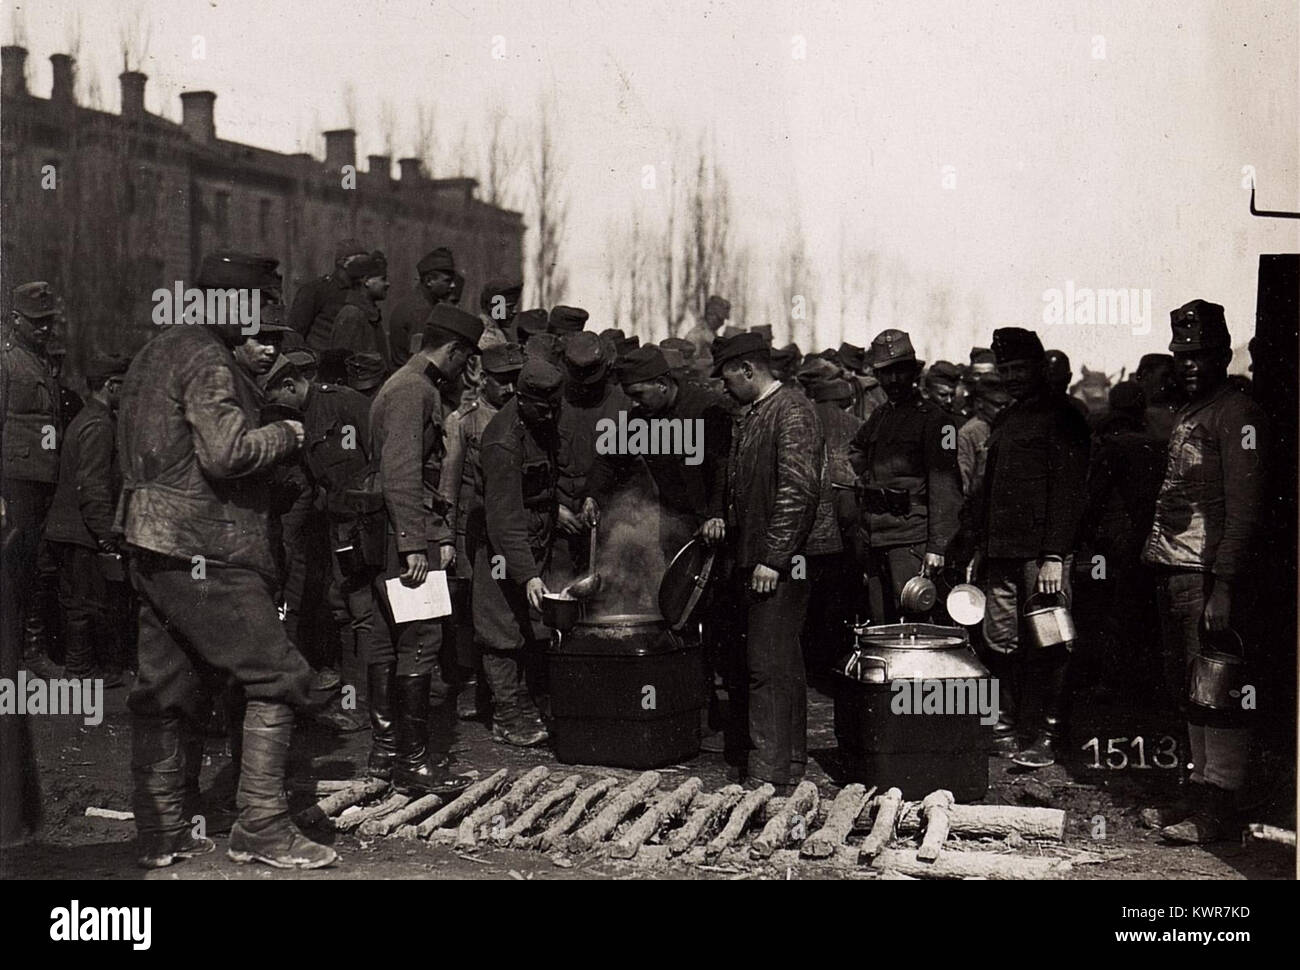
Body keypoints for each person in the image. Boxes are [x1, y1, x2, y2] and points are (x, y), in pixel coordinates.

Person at [118, 251, 336, 869]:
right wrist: (289, 435)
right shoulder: (210, 360)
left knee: (163, 688)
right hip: (206, 547)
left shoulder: (156, 350)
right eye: (265, 301)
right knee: (278, 674)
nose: (269, 315)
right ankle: (262, 826)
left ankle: (160, 833)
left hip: (150, 542)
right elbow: (227, 454)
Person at [1140, 300, 1268, 844]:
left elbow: (1245, 509)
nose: (1189, 362)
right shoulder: (1193, 411)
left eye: (1201, 353)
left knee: (1215, 691)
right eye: (1182, 353)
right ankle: (1197, 794)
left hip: (1206, 573)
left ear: (1222, 353)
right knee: (1189, 692)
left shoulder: (1237, 413)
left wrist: (1225, 586)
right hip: (1174, 569)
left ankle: (1220, 809)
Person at [365, 304, 482, 795]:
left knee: (387, 640)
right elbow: (401, 472)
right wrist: (415, 545)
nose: (465, 370)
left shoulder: (403, 384)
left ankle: (387, 754)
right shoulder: (415, 391)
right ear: (453, 351)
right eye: (465, 359)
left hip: (393, 532)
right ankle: (412, 764)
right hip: (408, 536)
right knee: (421, 639)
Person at [967, 327, 1090, 769]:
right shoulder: (1006, 418)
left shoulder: (1065, 417)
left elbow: (1069, 491)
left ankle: (1048, 734)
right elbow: (991, 490)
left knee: (1051, 642)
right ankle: (1007, 727)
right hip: (1002, 552)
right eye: (1006, 369)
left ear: (1040, 367)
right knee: (1001, 641)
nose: (1013, 376)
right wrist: (983, 543)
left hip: (1041, 557)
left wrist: (1055, 555)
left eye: (1020, 368)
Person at [714, 332, 822, 794]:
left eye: (726, 377)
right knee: (779, 660)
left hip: (779, 561)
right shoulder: (759, 412)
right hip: (763, 556)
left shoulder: (791, 410)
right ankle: (787, 762)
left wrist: (774, 559)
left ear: (747, 370)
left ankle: (767, 774)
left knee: (765, 663)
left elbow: (797, 491)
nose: (723, 388)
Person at [473, 358, 567, 746]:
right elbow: (504, 517)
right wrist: (527, 574)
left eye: (553, 407)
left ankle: (527, 702)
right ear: (520, 397)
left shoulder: (541, 421)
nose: (550, 415)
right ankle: (507, 715)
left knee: (532, 625)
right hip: (500, 547)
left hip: (535, 535)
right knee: (501, 627)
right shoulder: (503, 440)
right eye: (542, 408)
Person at [1, 281, 64, 845]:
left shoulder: (41, 361)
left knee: (26, 577)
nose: (44, 329)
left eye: (49, 321)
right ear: (15, 318)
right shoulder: (6, 362)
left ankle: (22, 645)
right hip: (12, 485)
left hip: (37, 486)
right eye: (35, 321)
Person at [849, 329, 962, 623]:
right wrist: (868, 479)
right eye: (886, 374)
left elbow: (946, 487)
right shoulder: (880, 416)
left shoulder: (936, 421)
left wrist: (937, 547)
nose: (893, 381)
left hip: (910, 540)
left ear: (914, 372)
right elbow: (856, 449)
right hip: (876, 537)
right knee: (880, 622)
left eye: (900, 372)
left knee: (914, 622)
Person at [439, 342, 525, 720]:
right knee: (469, 612)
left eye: (514, 381)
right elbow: (450, 483)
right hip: (470, 528)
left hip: (506, 528)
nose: (509, 389)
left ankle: (506, 691)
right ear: (483, 378)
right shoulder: (465, 420)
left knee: (506, 607)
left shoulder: (522, 416)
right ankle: (472, 685)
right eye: (501, 381)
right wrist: (447, 538)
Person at [42, 353, 132, 684]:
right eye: (124, 386)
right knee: (84, 603)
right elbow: (92, 487)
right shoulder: (98, 425)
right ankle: (79, 670)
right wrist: (108, 535)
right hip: (81, 531)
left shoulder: (87, 419)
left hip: (71, 529)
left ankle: (81, 668)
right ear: (110, 386)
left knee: (79, 600)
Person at [554, 331, 631, 580]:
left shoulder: (623, 403)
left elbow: (633, 472)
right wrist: (553, 509)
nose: (585, 387)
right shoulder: (552, 399)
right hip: (557, 525)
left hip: (608, 525)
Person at [386, 247, 457, 371]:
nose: (453, 285)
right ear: (429, 280)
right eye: (447, 281)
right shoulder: (421, 311)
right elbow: (420, 360)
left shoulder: (415, 302)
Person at [287, 238, 368, 346]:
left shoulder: (361, 292)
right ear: (343, 262)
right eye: (361, 262)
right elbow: (295, 333)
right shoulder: (317, 289)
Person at [327, 250, 392, 381]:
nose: (387, 284)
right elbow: (342, 369)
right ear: (367, 281)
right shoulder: (352, 315)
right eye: (383, 279)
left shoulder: (367, 313)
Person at [681, 295, 731, 370]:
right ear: (710, 315)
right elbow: (689, 364)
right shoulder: (697, 335)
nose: (722, 323)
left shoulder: (712, 334)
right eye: (720, 319)